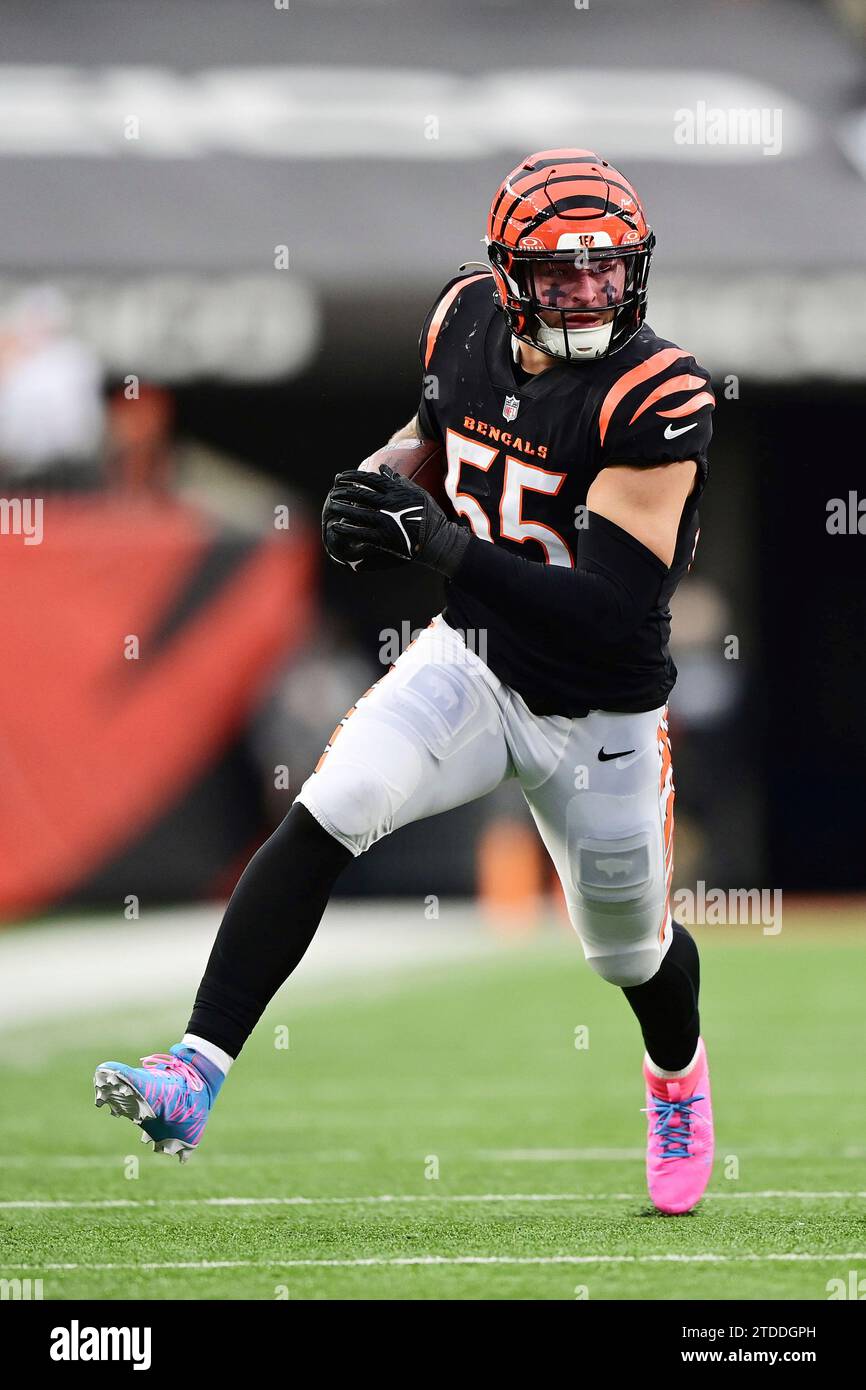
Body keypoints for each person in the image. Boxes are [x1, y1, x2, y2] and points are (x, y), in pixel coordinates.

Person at [94, 148, 715, 1216]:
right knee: (330, 808)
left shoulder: (655, 394)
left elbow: (611, 606)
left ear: (635, 272)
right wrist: (377, 485)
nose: (585, 292)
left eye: (605, 271)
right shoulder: (462, 318)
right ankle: (194, 1068)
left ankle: (676, 1079)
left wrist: (443, 550)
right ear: (506, 275)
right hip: (470, 660)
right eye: (558, 274)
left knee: (627, 951)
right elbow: (434, 438)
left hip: (598, 706)